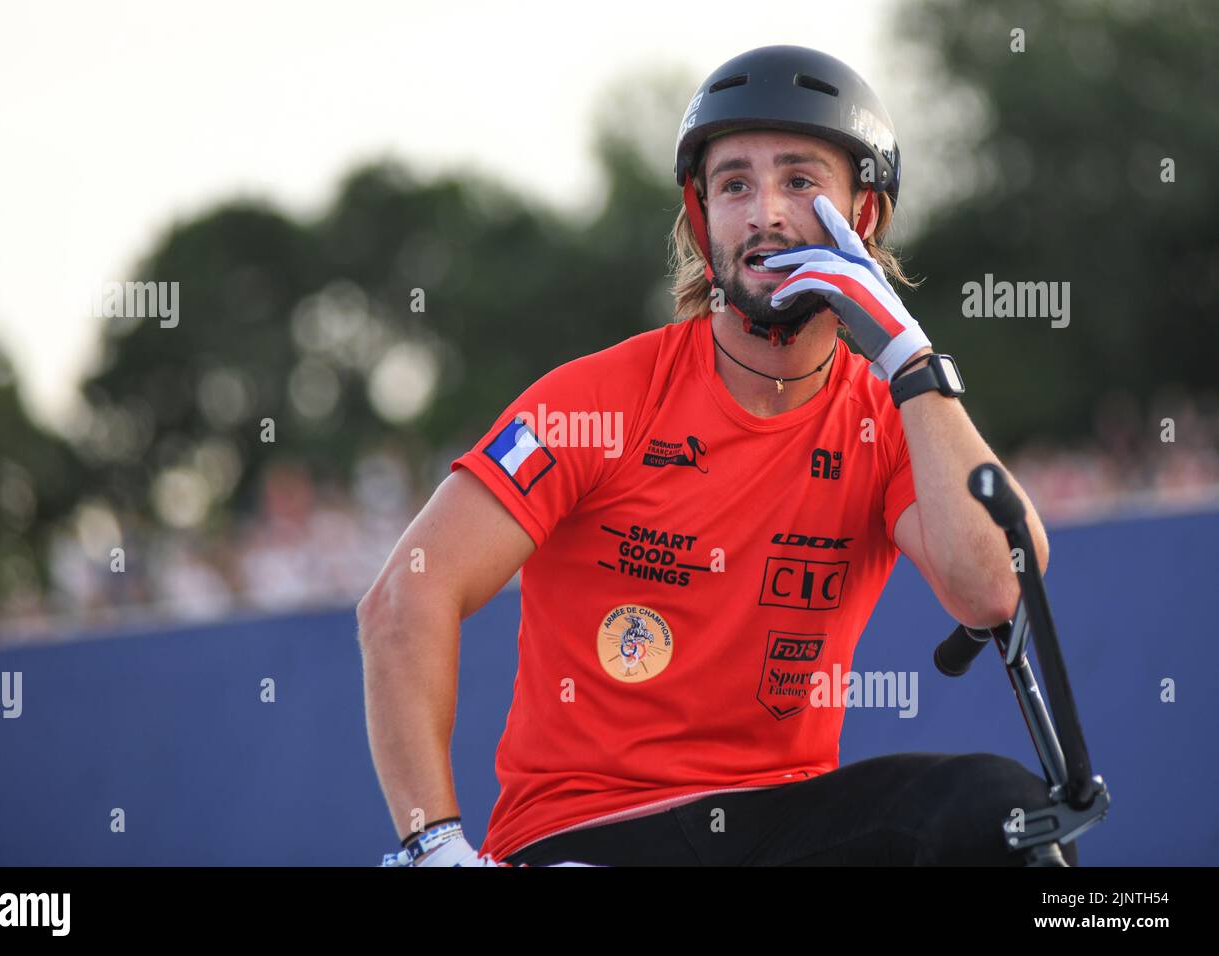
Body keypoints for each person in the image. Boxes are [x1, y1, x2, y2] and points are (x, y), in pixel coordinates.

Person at [361, 45, 1076, 867]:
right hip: (588, 837)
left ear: (864, 216)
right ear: (703, 219)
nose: (764, 212)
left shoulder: (890, 417)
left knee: (1006, 816)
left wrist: (910, 363)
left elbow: (995, 591)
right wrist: (435, 846)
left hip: (782, 825)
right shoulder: (598, 398)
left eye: (801, 182)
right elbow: (402, 600)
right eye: (734, 183)